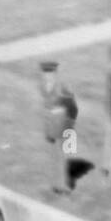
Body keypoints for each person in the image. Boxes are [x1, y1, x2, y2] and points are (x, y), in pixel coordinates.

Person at [40, 61, 78, 194]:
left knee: (65, 156)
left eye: (50, 74)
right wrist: (48, 130)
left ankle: (66, 186)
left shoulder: (62, 87)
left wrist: (69, 126)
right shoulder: (44, 87)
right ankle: (56, 185)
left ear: (55, 74)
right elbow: (47, 110)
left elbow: (73, 107)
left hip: (64, 125)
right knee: (54, 157)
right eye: (45, 74)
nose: (47, 77)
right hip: (52, 126)